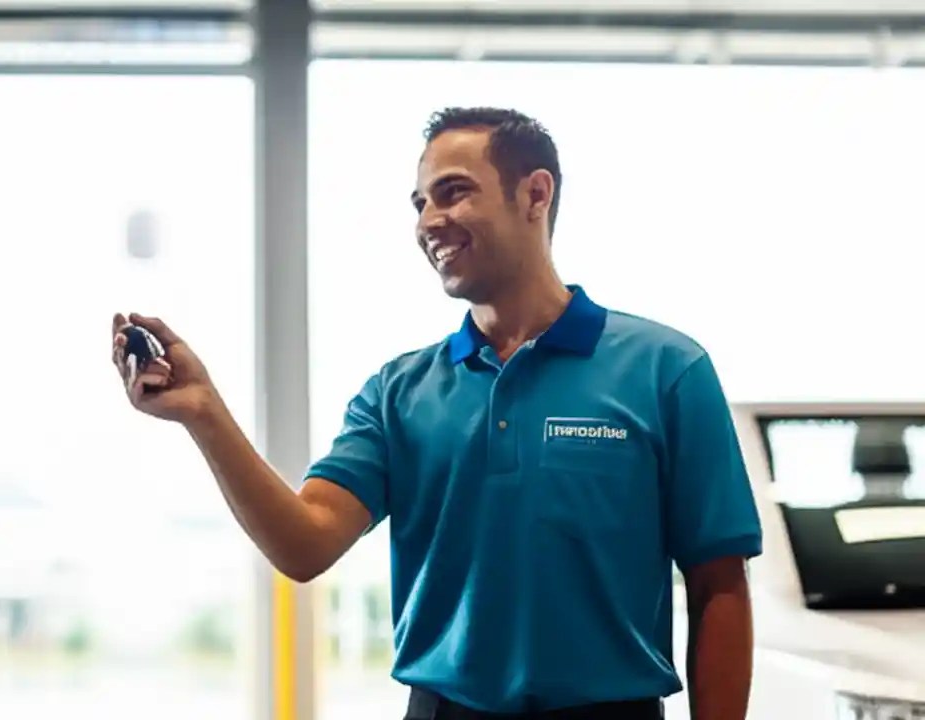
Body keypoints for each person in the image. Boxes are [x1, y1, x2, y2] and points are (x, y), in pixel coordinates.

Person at [112, 107, 761, 719]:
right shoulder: (398, 392)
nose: (429, 220)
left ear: (535, 194)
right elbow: (304, 544)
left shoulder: (666, 370)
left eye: (453, 192)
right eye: (421, 202)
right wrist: (204, 414)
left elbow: (719, 588)